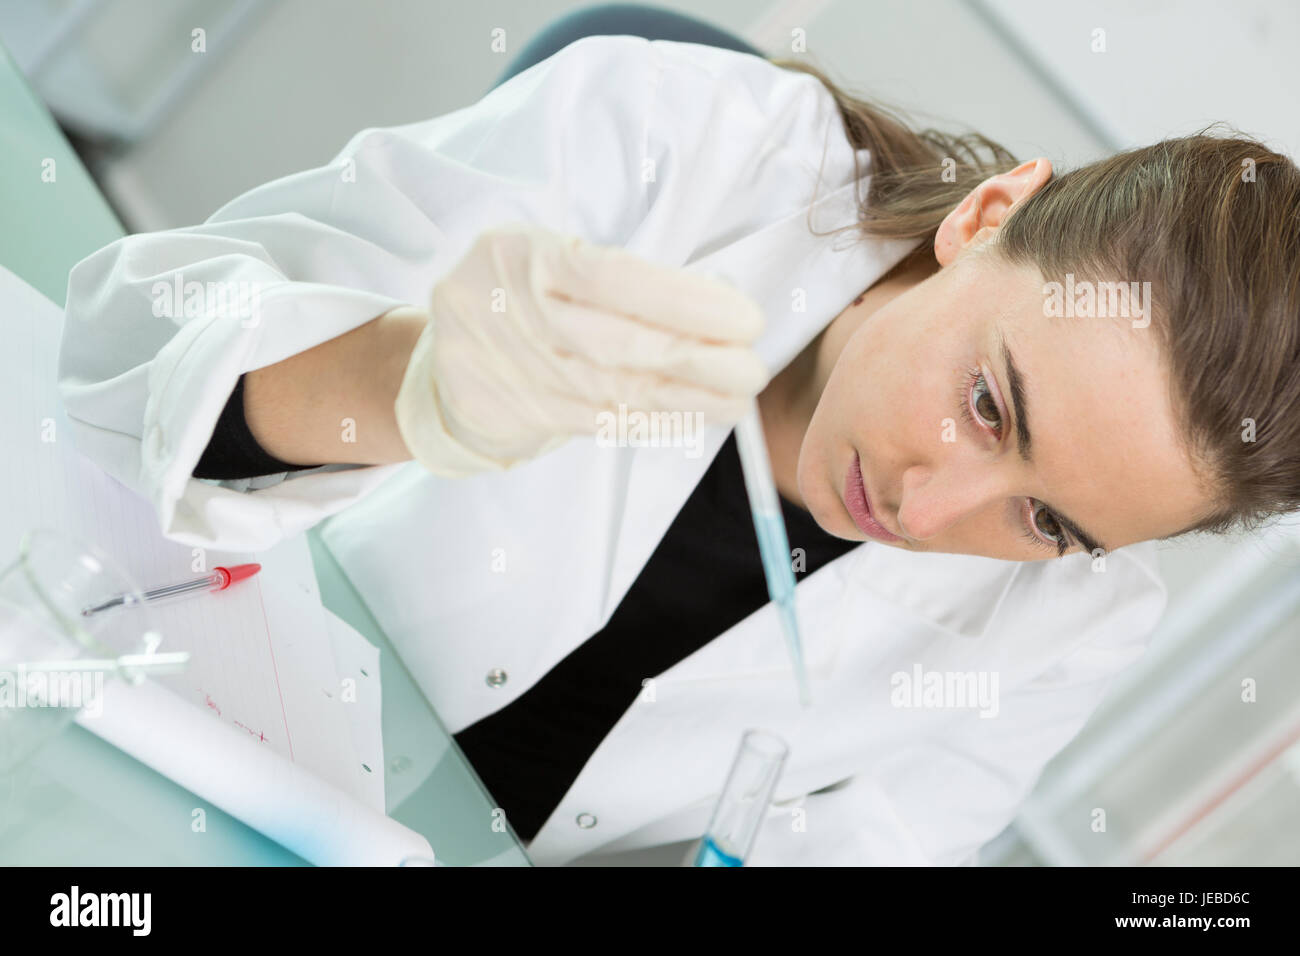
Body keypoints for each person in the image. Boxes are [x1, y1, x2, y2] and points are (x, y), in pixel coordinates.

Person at [57, 6, 1300, 865]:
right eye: (989, 402)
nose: (926, 511)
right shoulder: (689, 146)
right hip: (132, 717)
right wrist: (392, 378)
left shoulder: (1083, 618)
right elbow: (122, 354)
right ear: (985, 215)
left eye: (1044, 519)